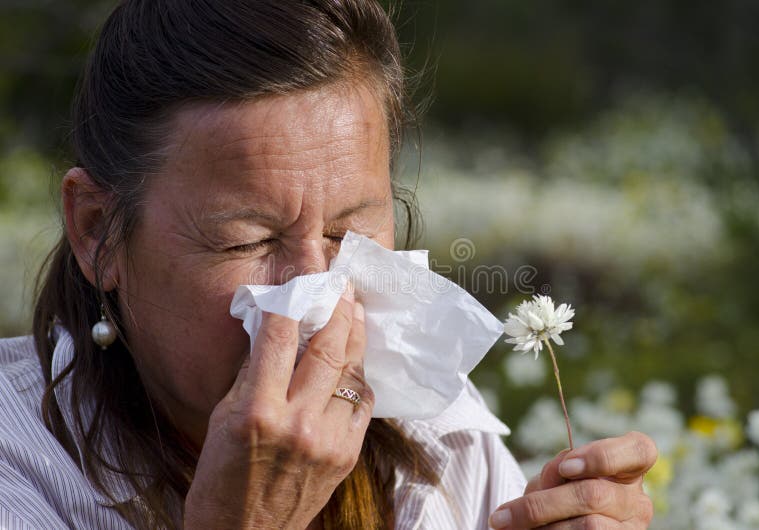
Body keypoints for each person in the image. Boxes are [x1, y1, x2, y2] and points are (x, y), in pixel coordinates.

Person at [0, 1, 657, 528]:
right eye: (247, 241)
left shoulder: (438, 426)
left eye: (346, 232)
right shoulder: (19, 465)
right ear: (98, 233)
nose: (319, 297)